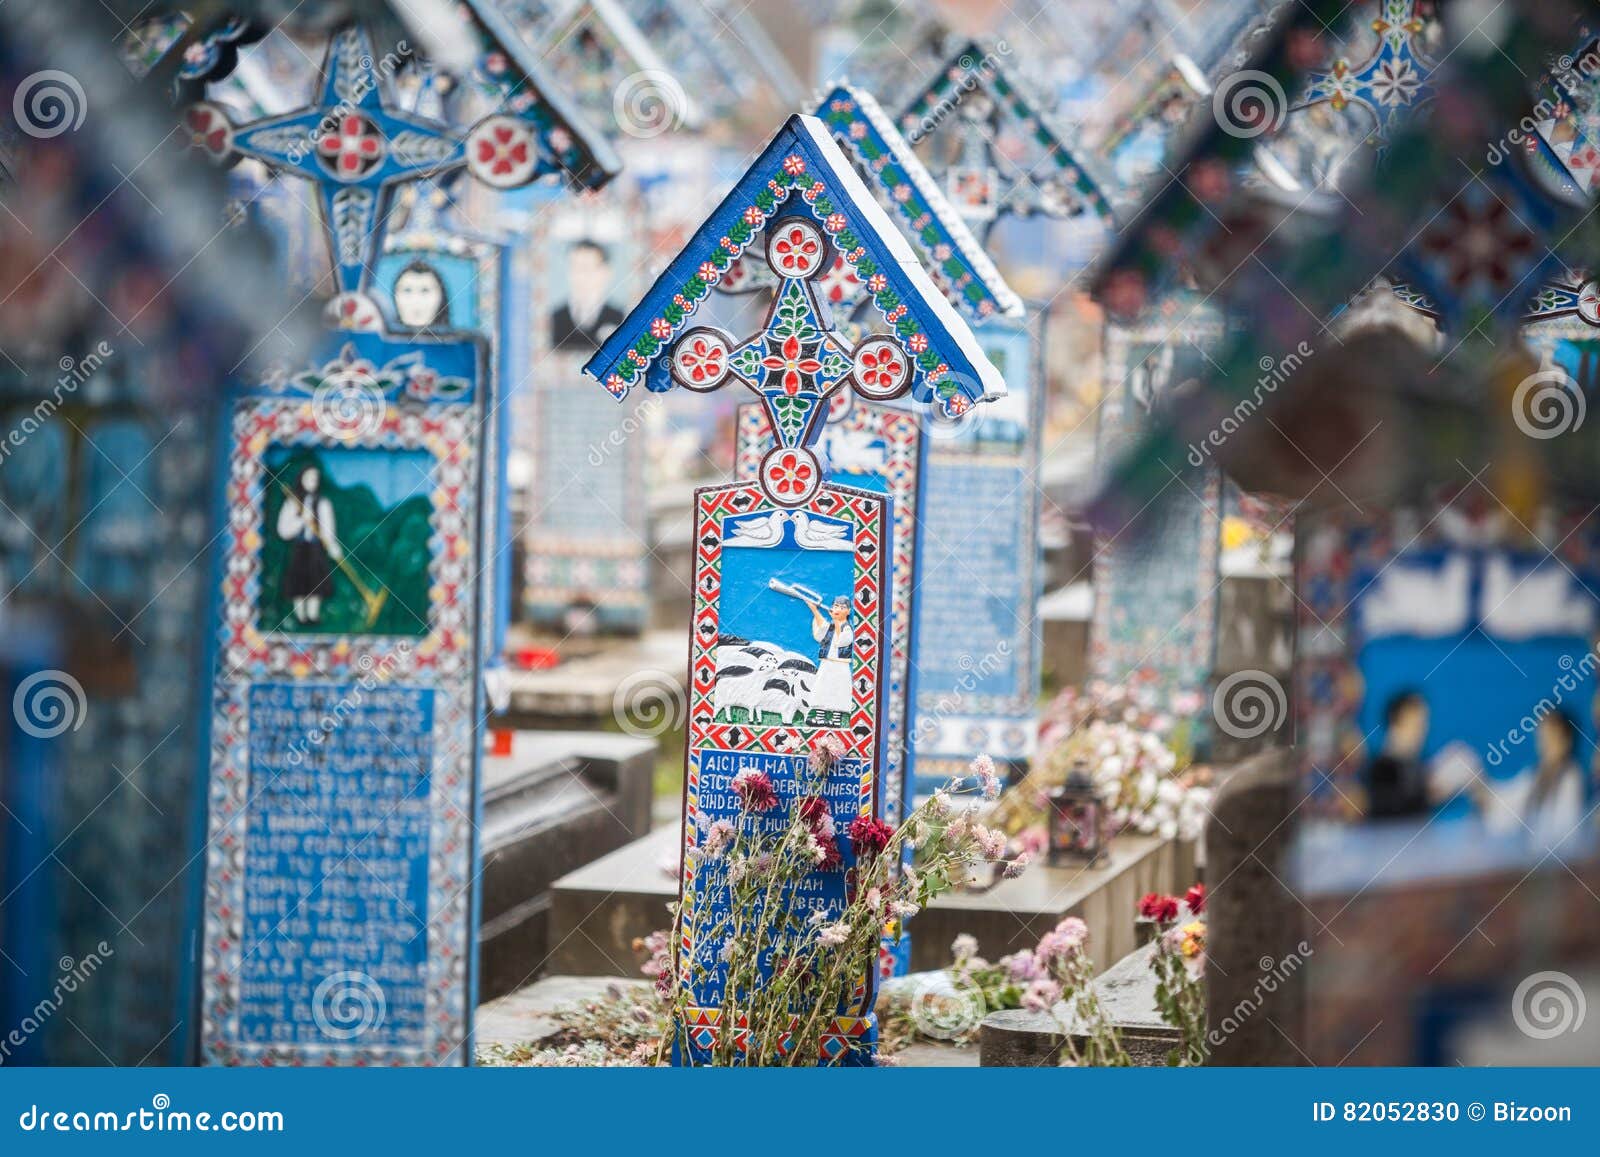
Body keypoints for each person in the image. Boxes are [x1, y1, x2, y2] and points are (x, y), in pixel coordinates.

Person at [1473, 710, 1586, 845]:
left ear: (1566, 740)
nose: (1545, 745)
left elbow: (1567, 829)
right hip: (1530, 853)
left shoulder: (1571, 776)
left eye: (1551, 737)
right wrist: (1480, 789)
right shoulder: (1536, 775)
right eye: (1542, 738)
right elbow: (1508, 800)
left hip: (1555, 859)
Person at [276, 465, 340, 625]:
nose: (313, 482)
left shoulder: (323, 503)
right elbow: (283, 530)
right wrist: (301, 520)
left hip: (316, 548)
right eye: (309, 478)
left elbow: (328, 528)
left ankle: (313, 615)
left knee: (316, 581)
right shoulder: (292, 503)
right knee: (298, 582)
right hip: (299, 548)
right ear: (302, 480)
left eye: (315, 479)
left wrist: (331, 545)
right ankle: (300, 616)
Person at [1365, 690, 1431, 820]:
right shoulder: (1379, 769)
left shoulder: (1417, 766)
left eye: (1423, 724)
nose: (1422, 731)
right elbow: (1391, 811)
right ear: (1396, 722)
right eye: (1416, 725)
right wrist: (1430, 792)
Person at [549, 240, 623, 353]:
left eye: (586, 268)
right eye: (575, 267)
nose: (580, 276)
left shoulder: (619, 316)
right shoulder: (555, 317)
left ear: (605, 272)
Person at [807, 594, 854, 722]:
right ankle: (820, 718)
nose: (838, 609)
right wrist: (815, 610)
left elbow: (841, 641)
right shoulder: (832, 626)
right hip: (826, 664)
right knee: (822, 688)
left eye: (842, 607)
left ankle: (836, 719)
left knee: (838, 690)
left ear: (848, 611)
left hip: (840, 665)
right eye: (836, 606)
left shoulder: (846, 627)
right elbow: (821, 631)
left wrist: (837, 621)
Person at [391, 260, 450, 329]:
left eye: (425, 290)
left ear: (442, 298)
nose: (416, 300)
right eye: (407, 290)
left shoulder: (460, 339)